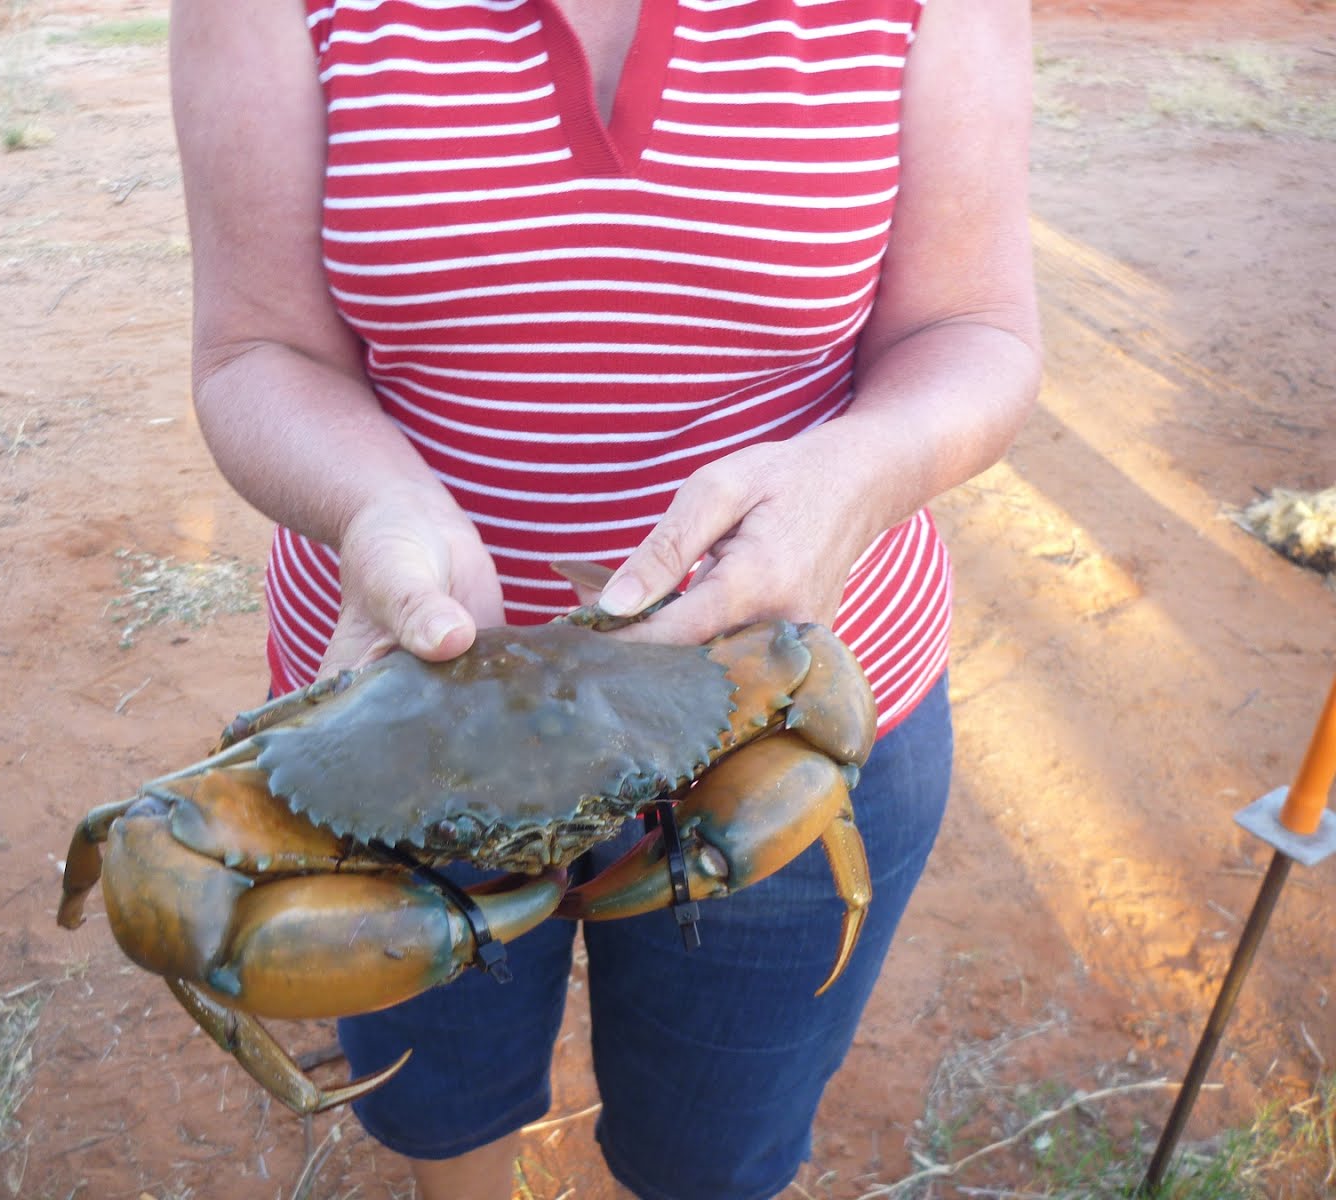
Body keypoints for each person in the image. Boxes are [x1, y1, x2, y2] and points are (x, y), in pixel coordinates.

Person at [171, 0, 1041, 1196]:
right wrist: (375, 507)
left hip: (777, 716)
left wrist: (858, 472)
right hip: (389, 722)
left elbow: (973, 325)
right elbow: (256, 348)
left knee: (711, 1156)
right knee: (440, 1114)